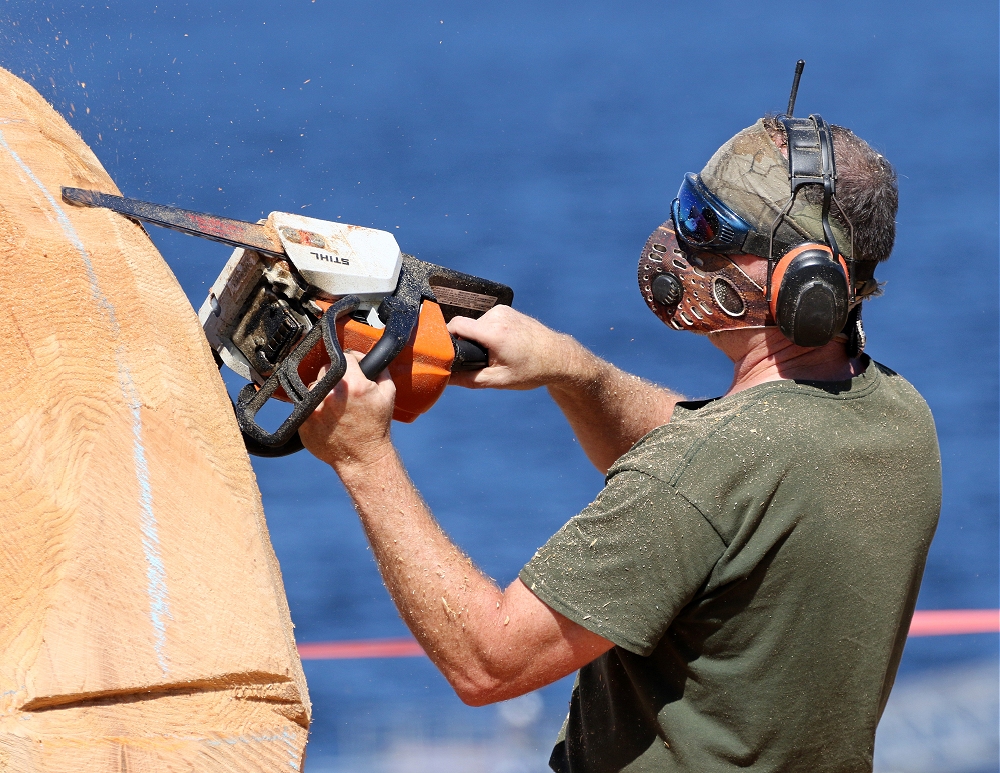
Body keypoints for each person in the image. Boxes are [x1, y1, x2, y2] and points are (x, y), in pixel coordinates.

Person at [300, 116, 942, 772]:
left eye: (711, 227)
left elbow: (487, 661)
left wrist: (363, 456)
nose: (683, 241)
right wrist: (576, 371)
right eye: (690, 210)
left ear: (805, 280)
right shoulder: (900, 420)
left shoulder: (702, 471)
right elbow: (719, 485)